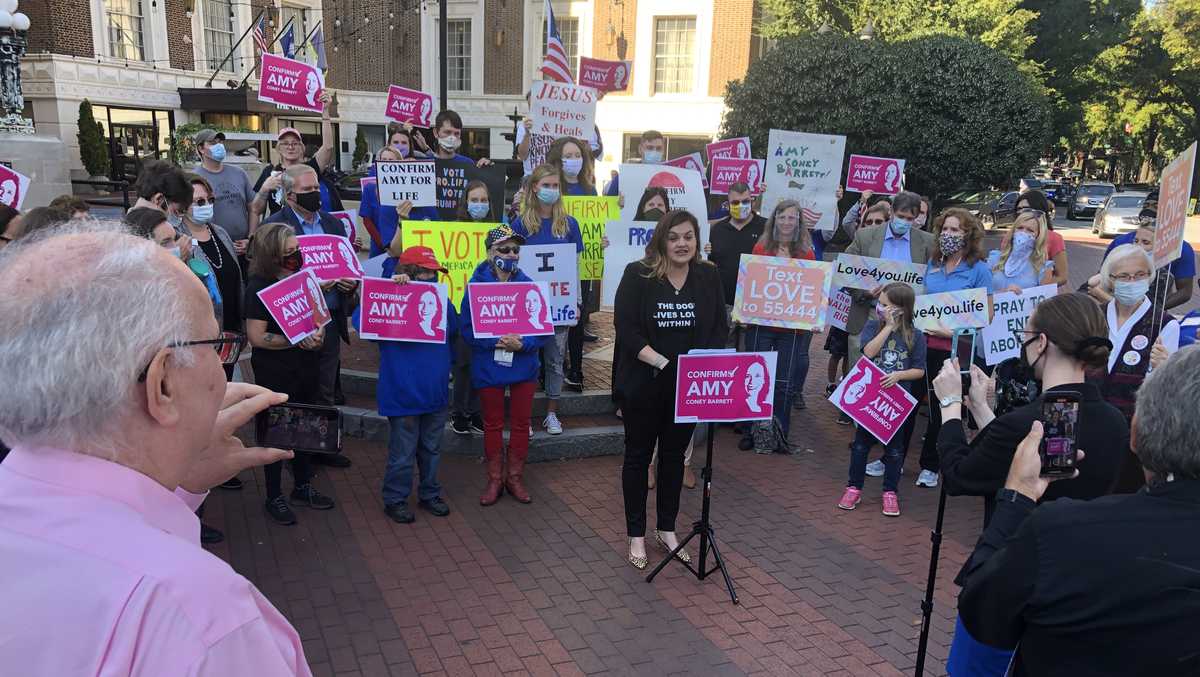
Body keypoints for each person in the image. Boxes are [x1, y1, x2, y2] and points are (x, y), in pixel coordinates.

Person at [0, 223, 313, 675]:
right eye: (217, 345)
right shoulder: (200, 616)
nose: (223, 371)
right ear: (162, 383)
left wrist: (177, 487)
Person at [951, 347, 1200, 677]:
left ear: (1137, 433)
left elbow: (982, 613)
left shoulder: (1058, 532)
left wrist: (1016, 498)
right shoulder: (1111, 422)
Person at [936, 292, 1126, 538]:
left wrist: (949, 404)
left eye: (1026, 336)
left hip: (1018, 555)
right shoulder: (1115, 420)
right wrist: (981, 408)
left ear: (1042, 342)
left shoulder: (1025, 424)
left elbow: (958, 476)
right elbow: (1011, 453)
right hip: (1078, 553)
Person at [613, 209, 728, 569]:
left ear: (697, 240)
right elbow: (626, 329)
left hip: (688, 390)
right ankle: (636, 534)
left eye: (688, 237)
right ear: (662, 239)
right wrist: (664, 363)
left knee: (675, 459)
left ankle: (666, 528)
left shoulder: (708, 276)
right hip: (644, 384)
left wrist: (699, 370)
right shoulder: (638, 274)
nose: (682, 243)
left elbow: (718, 329)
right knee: (637, 458)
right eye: (674, 236)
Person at [243, 222, 337, 525]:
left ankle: (303, 485)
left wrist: (318, 334)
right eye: (288, 253)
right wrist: (294, 340)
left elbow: (318, 316)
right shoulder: (258, 286)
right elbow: (257, 337)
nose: (296, 256)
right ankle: (274, 495)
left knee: (307, 426)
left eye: (297, 250)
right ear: (272, 255)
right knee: (277, 432)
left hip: (306, 365)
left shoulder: (302, 277)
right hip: (276, 371)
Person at [362, 246, 455, 524]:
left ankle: (429, 493)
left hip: (435, 392)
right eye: (426, 272)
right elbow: (363, 321)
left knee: (432, 449)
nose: (432, 276)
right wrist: (393, 288)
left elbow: (457, 328)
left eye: (435, 272)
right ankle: (395, 499)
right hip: (403, 392)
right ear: (410, 273)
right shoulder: (391, 297)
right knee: (402, 454)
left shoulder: (442, 301)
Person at [460, 225, 547, 505]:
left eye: (515, 250)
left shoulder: (529, 285)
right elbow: (466, 328)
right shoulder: (475, 287)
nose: (510, 254)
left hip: (523, 365)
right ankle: (495, 478)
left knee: (521, 423)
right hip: (490, 364)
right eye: (504, 249)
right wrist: (494, 342)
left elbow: (543, 330)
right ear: (489, 253)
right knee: (493, 424)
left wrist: (524, 345)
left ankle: (515, 477)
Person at [907, 207, 993, 488]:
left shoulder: (979, 270)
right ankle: (891, 456)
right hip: (921, 345)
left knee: (939, 407)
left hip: (953, 350)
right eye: (944, 229)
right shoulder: (933, 264)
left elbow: (985, 315)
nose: (948, 234)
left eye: (955, 230)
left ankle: (931, 465)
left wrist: (949, 331)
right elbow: (920, 302)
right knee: (908, 402)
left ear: (968, 234)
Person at [1091, 244, 1179, 493]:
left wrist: (1165, 368)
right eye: (1124, 276)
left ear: (1149, 277)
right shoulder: (1094, 316)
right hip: (1092, 427)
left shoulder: (1163, 324)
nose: (1133, 281)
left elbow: (1161, 391)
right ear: (1111, 280)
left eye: (1140, 275)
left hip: (1130, 434)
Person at [838, 282, 926, 517]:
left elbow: (919, 370)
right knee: (860, 446)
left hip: (895, 402)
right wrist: (887, 327)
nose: (880, 307)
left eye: (885, 305)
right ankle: (853, 487)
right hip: (870, 398)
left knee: (895, 450)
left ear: (901, 308)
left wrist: (899, 375)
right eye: (880, 303)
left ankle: (890, 492)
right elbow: (867, 353)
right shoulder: (872, 326)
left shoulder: (916, 335)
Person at [509, 164, 584, 436]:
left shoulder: (570, 224)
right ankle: (524, 416)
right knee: (527, 360)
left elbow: (575, 267)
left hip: (560, 306)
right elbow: (511, 263)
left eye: (556, 186)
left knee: (555, 361)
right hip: (528, 306)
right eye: (547, 185)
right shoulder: (520, 225)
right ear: (534, 188)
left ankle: (551, 413)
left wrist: (576, 302)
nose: (552, 190)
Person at [739, 199, 817, 453]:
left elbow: (812, 290)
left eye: (791, 218)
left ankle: (780, 433)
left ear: (798, 222)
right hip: (761, 325)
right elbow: (749, 282)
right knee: (755, 380)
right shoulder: (761, 248)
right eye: (782, 217)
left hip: (791, 331)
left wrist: (814, 317)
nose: (786, 222)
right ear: (775, 220)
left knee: (783, 383)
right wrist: (743, 308)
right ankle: (752, 431)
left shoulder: (806, 253)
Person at [843, 191, 935, 380]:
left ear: (916, 218)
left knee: (896, 365)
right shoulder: (865, 236)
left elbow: (933, 277)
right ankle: (853, 406)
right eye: (900, 216)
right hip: (869, 310)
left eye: (910, 218)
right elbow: (845, 270)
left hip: (907, 317)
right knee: (860, 367)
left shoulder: (927, 241)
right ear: (891, 212)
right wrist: (863, 290)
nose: (904, 221)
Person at [824, 200, 894, 414]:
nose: (874, 225)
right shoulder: (856, 248)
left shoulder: (896, 250)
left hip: (892, 318)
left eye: (879, 221)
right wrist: (863, 292)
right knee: (856, 362)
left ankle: (877, 411)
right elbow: (845, 280)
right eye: (869, 221)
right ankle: (850, 410)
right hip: (862, 313)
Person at [545, 136, 599, 389]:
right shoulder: (551, 187)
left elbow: (599, 224)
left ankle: (576, 369)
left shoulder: (590, 188)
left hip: (582, 261)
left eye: (578, 155)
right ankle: (550, 368)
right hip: (551, 263)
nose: (574, 160)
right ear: (558, 158)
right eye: (568, 155)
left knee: (577, 315)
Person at [447, 181, 493, 436]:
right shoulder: (454, 230)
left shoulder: (496, 232)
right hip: (462, 309)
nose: (479, 205)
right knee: (462, 364)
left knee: (481, 363)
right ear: (465, 204)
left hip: (487, 309)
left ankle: (476, 412)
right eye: (474, 200)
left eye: (483, 200)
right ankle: (459, 412)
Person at [184, 176, 243, 351]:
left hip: (231, 330)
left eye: (210, 200)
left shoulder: (221, 233)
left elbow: (237, 280)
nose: (207, 206)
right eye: (199, 202)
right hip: (202, 336)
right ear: (182, 206)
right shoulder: (178, 239)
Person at [251, 104, 339, 218]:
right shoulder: (269, 172)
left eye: (295, 143)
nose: (290, 147)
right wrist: (264, 189)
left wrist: (325, 111)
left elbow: (327, 147)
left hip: (306, 228)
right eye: (285, 143)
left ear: (302, 147)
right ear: (278, 148)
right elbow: (256, 210)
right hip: (280, 230)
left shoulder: (310, 169)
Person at [705, 181, 766, 343]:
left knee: (751, 356)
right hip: (725, 304)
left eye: (745, 201)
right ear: (728, 203)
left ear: (752, 200)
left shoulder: (766, 227)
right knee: (725, 356)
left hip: (755, 306)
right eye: (735, 202)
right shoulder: (717, 230)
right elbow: (708, 265)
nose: (741, 205)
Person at [1096, 212, 1194, 310]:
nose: (1138, 246)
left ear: (1160, 247)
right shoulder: (1118, 261)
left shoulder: (1162, 277)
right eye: (1136, 241)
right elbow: (1091, 285)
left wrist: (1100, 294)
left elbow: (1142, 310)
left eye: (1145, 242)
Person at [360, 145, 439, 258]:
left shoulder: (428, 204)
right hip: (394, 260)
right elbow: (394, 251)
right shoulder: (386, 205)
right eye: (384, 161)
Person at [191, 129, 258, 257]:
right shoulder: (194, 178)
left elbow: (253, 208)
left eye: (220, 141)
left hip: (244, 247)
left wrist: (251, 239)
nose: (219, 145)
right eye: (212, 142)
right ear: (201, 149)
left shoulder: (239, 173)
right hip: (215, 248)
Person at [987, 209, 1055, 293]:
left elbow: (1045, 302)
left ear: (1039, 236)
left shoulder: (1043, 268)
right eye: (1020, 228)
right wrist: (1002, 293)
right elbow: (980, 294)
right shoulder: (995, 258)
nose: (1023, 233)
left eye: (1030, 230)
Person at [1015, 190, 1068, 289]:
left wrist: (1037, 289)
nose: (1021, 212)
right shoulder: (1010, 236)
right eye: (1019, 208)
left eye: (1026, 208)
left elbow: (1062, 277)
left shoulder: (1054, 238)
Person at [605, 130, 665, 197]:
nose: (654, 152)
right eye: (650, 148)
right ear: (640, 149)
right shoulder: (624, 175)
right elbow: (609, 202)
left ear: (663, 150)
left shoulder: (670, 175)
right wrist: (618, 204)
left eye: (659, 148)